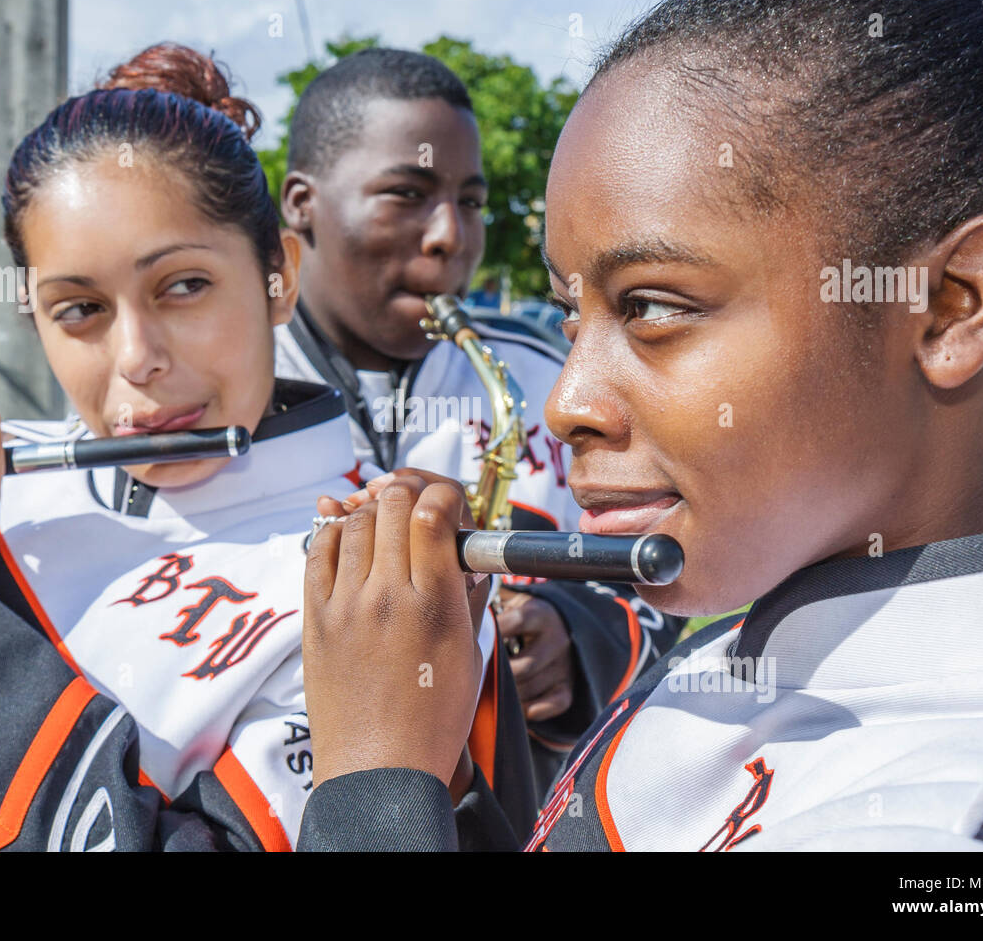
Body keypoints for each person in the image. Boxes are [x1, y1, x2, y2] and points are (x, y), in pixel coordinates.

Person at [295, 0, 983, 850]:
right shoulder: (766, 646)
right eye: (570, 313)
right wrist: (444, 779)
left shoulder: (976, 814)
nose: (566, 405)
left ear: (947, 307)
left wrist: (372, 787)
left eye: (655, 306)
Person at [0, 44, 531, 851]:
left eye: (184, 286)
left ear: (280, 274)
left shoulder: (375, 570)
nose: (137, 357)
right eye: (79, 309)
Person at [274, 47, 681, 786]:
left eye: (469, 201)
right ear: (301, 204)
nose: (450, 238)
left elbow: (664, 569)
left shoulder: (549, 376)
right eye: (407, 194)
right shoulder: (219, 401)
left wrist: (571, 631)